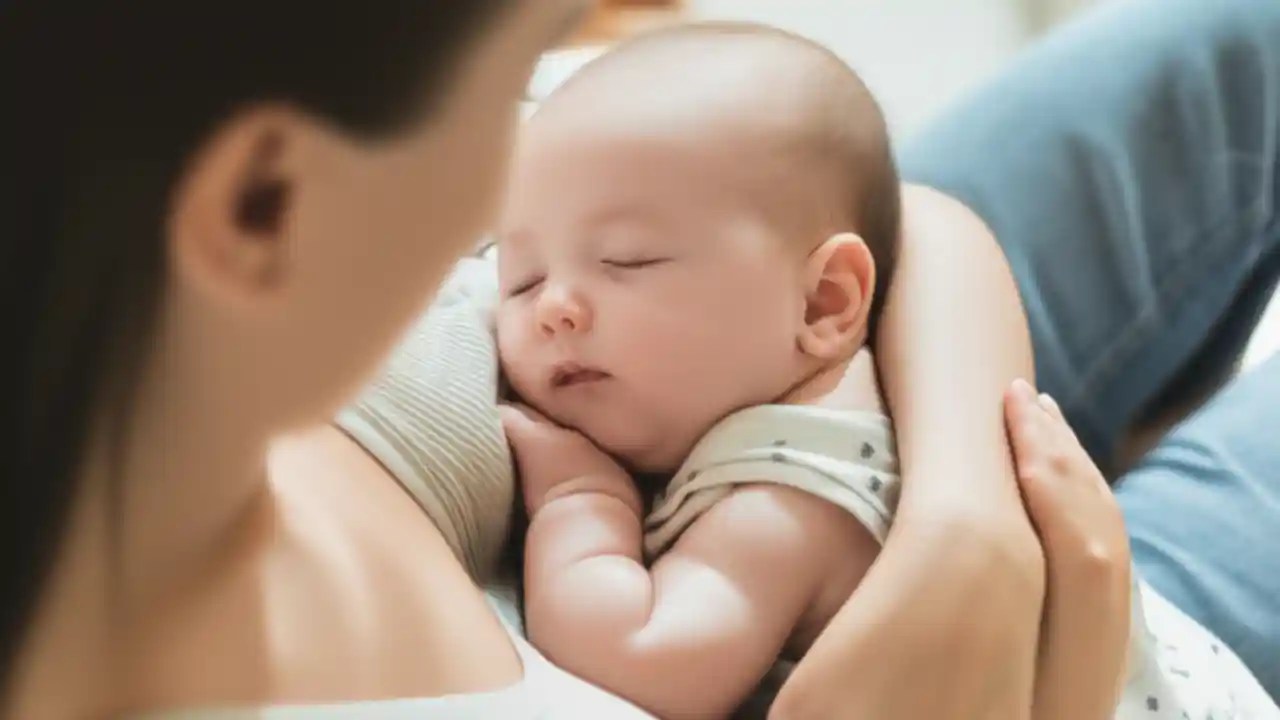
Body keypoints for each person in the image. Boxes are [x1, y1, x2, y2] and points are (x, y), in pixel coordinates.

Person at [0, 0, 1274, 718]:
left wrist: (963, 529)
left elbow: (898, 224)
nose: (524, 295)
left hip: (877, 413)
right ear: (261, 208)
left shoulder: (135, 279)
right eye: (508, 253)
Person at [490, 21, 1277, 719]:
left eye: (629, 260)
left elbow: (641, 659)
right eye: (520, 279)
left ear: (826, 303)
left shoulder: (782, 497)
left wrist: (577, 496)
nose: (554, 306)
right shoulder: (781, 385)